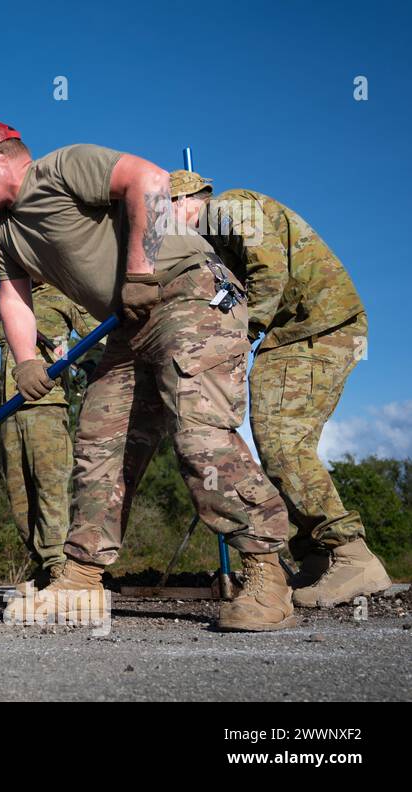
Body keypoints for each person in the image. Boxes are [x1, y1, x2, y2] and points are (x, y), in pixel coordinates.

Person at [0, 121, 292, 631]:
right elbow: (14, 296)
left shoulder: (62, 167)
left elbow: (148, 180)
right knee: (99, 441)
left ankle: (267, 574)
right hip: (130, 323)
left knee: (198, 436)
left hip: (187, 293)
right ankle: (81, 578)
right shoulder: (2, 231)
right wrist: (25, 362)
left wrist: (138, 273)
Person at [169, 170, 389, 607]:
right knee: (274, 444)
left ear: (189, 198)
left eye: (169, 213)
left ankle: (351, 553)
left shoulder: (227, 208)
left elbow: (269, 269)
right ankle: (317, 555)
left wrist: (241, 333)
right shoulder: (215, 241)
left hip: (318, 327)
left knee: (282, 442)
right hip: (294, 333)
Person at [0, 273, 95, 593]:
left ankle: (61, 564)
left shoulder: (65, 295)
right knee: (19, 494)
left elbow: (96, 340)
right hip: (8, 408)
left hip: (47, 404)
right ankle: (42, 564)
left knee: (51, 486)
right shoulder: (7, 296)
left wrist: (77, 361)